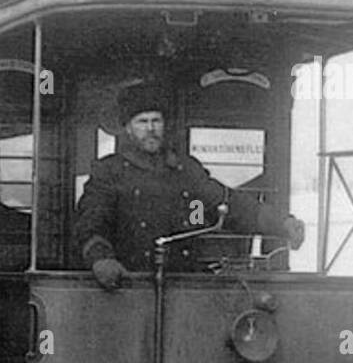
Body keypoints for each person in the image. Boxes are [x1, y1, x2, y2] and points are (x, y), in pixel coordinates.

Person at [75, 82, 305, 288]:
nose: (151, 129)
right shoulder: (108, 172)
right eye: (142, 122)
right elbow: (90, 224)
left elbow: (227, 203)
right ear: (128, 128)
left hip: (182, 286)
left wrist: (282, 223)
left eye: (156, 121)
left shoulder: (185, 170)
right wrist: (101, 259)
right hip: (128, 286)